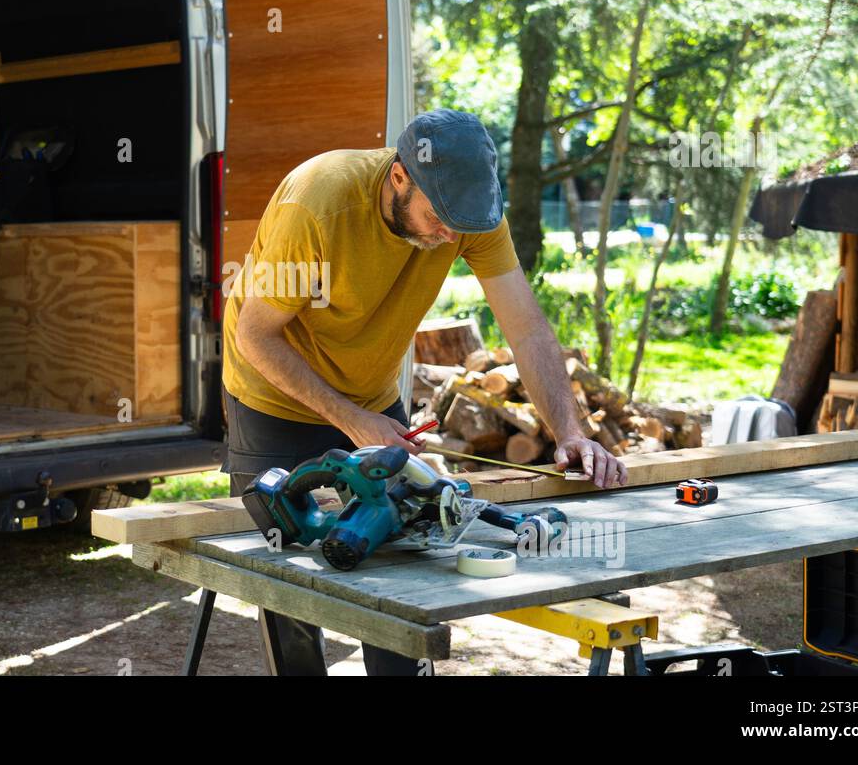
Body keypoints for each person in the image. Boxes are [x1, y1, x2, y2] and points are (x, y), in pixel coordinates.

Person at [221, 109, 628, 675]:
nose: (451, 237)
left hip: (370, 394)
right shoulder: (317, 204)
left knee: (400, 560)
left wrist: (570, 432)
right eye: (438, 218)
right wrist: (351, 419)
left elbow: (527, 328)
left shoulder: (471, 214)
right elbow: (256, 337)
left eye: (463, 224)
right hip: (274, 395)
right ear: (398, 177)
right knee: (291, 578)